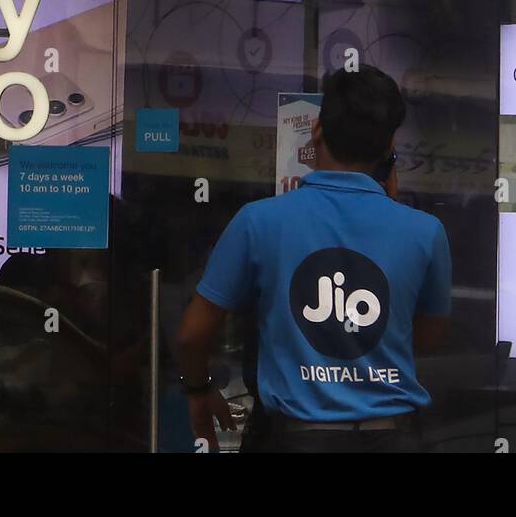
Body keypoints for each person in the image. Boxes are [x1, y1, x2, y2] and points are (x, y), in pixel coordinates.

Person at [177, 66, 452, 453]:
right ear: (389, 147)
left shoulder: (258, 221)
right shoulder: (426, 232)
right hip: (393, 438)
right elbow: (424, 338)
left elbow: (192, 334)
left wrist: (198, 390)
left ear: (317, 129)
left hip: (295, 438)